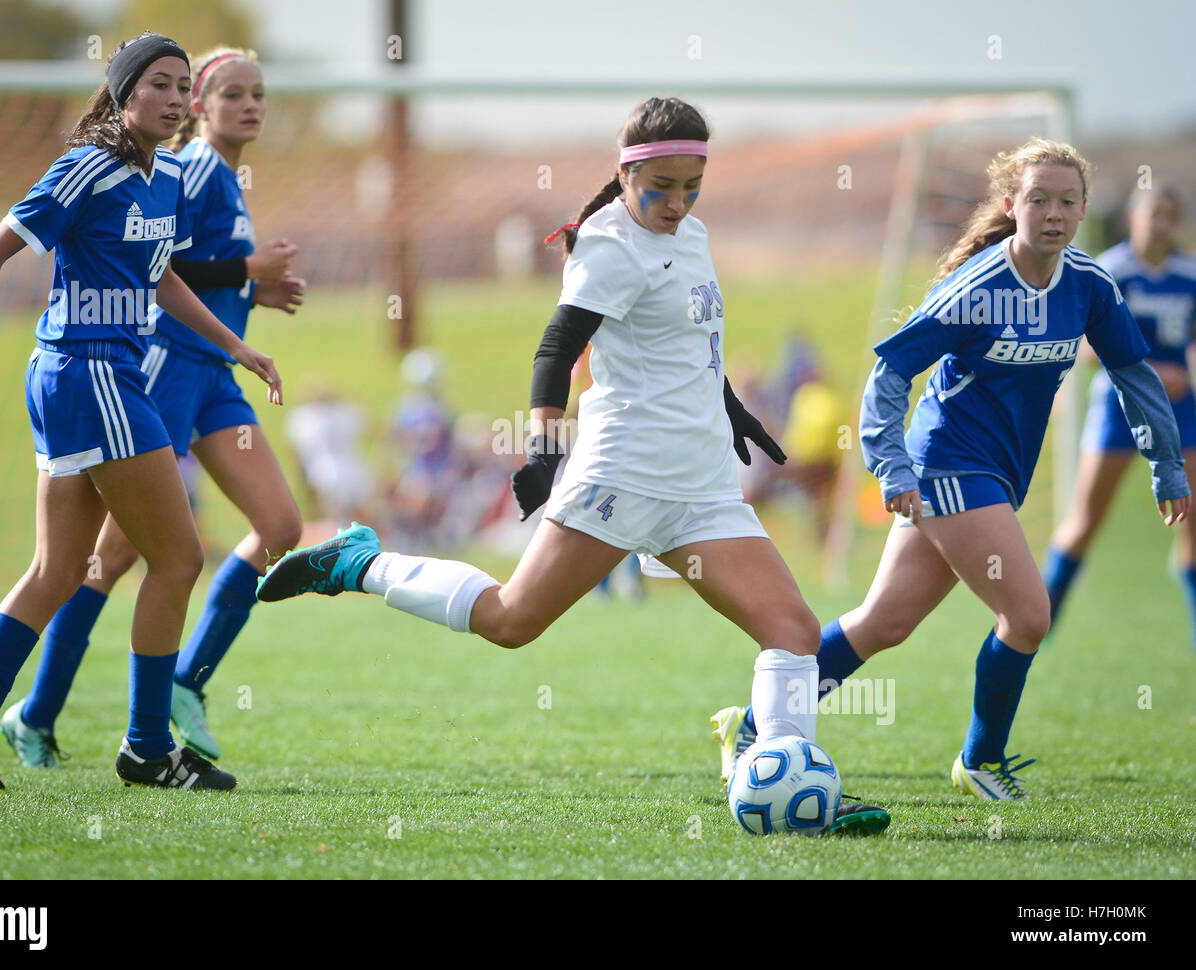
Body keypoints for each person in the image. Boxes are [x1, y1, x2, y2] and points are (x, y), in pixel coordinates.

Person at [257, 96, 890, 835]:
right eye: (663, 187)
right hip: (622, 476)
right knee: (510, 620)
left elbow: (688, 342)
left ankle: (792, 786)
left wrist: (730, 406)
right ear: (627, 174)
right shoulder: (607, 243)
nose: (679, 202)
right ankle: (357, 563)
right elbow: (557, 349)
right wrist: (544, 448)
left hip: (701, 488)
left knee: (793, 630)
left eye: (693, 185)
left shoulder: (693, 235)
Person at [710, 138, 1190, 801]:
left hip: (994, 474)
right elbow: (891, 370)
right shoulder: (981, 285)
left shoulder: (1089, 285)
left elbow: (1133, 374)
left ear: (1083, 211)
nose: (1053, 212)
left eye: (1067, 201)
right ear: (1011, 205)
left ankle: (755, 723)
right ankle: (980, 760)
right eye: (1038, 199)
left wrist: (1166, 464)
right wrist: (891, 465)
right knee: (1028, 615)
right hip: (948, 463)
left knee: (884, 622)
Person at [0, 33, 283, 791]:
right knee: (177, 557)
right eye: (160, 83)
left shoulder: (162, 180)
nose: (177, 97)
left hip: (93, 377)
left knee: (58, 571)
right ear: (123, 94)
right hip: (92, 376)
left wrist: (238, 346)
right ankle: (148, 747)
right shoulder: (90, 165)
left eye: (185, 85)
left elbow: (161, 283)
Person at [1043, 186, 1196, 643]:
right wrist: (1146, 371)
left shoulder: (1188, 275)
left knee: (1192, 524)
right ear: (1132, 217)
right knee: (1085, 521)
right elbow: (1084, 342)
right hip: (1119, 406)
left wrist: (1185, 375)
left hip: (1180, 410)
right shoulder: (1110, 270)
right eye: (1154, 213)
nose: (1161, 223)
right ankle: (1038, 625)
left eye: (1170, 215)